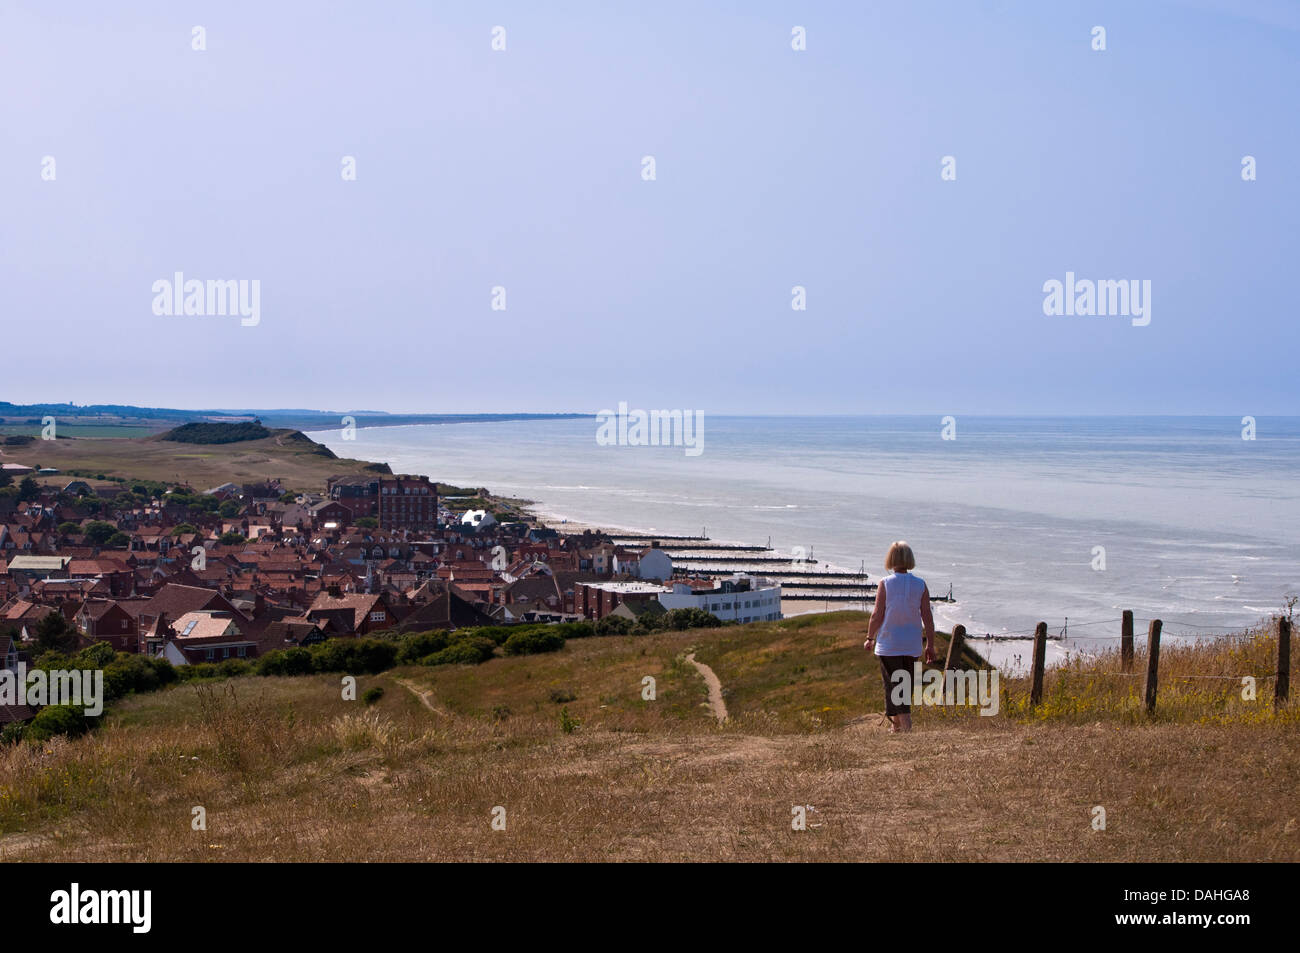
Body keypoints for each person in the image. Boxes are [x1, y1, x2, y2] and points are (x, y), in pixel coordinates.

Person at [864, 541, 936, 732]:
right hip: (912, 644)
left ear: (891, 559)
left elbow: (877, 614)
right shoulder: (920, 584)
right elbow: (927, 617)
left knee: (894, 685)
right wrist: (930, 644)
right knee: (903, 683)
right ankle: (895, 727)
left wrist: (870, 637)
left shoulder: (886, 583)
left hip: (889, 643)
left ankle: (906, 726)